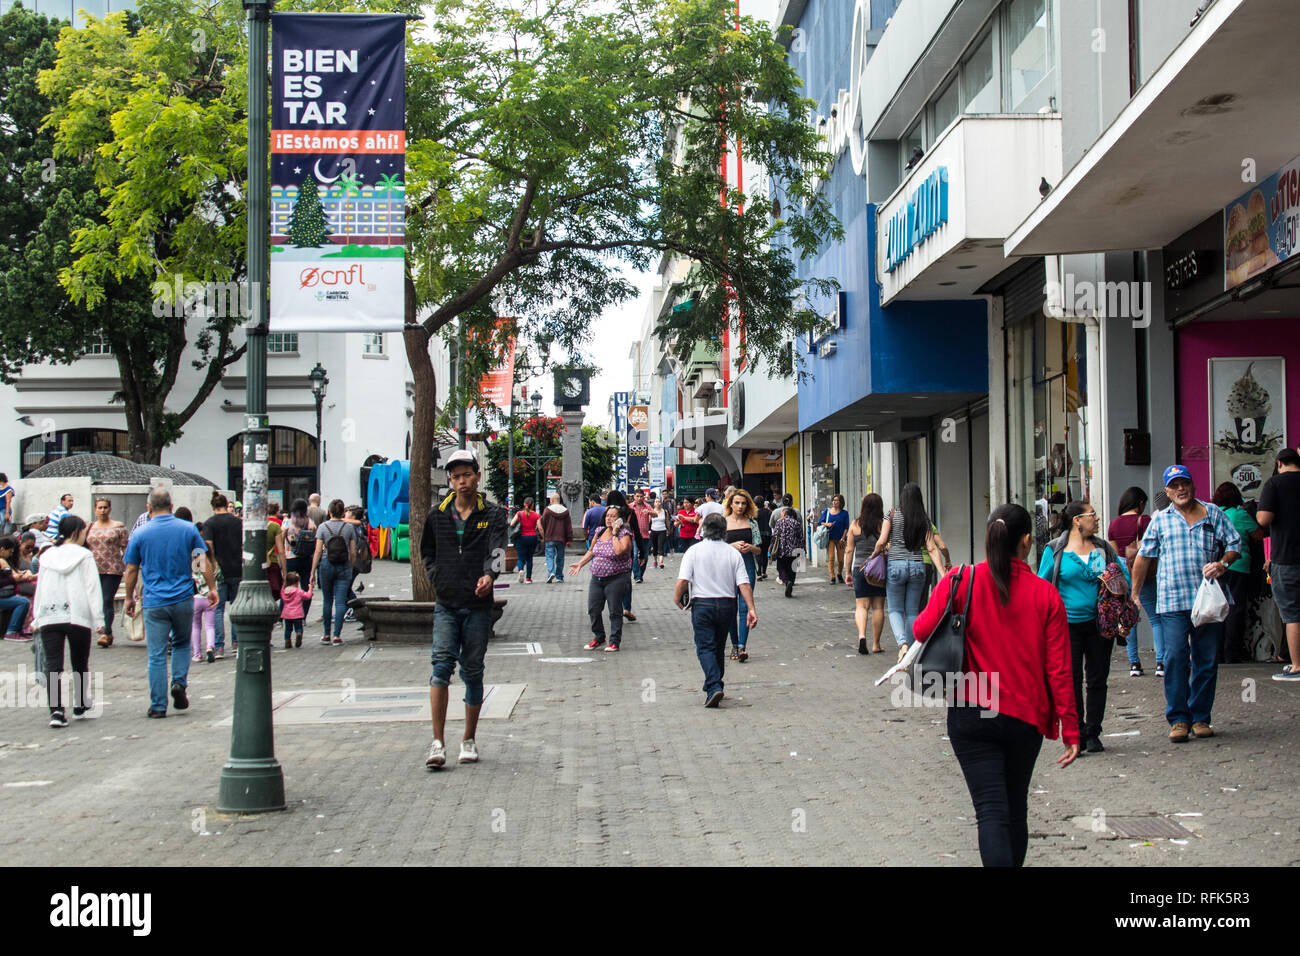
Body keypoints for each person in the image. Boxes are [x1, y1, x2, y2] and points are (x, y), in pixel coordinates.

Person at [908, 504, 1078, 867]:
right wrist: (1072, 730)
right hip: (1025, 717)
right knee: (1015, 808)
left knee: (990, 811)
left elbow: (920, 630)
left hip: (971, 714)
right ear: (1028, 542)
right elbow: (1060, 670)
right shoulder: (1046, 595)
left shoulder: (960, 580)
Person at [1130, 465, 1241, 742]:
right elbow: (1144, 557)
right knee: (1175, 658)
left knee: (1205, 660)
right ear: (1167, 491)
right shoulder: (1160, 520)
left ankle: (1201, 717)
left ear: (1193, 485)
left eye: (1185, 484)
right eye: (1174, 485)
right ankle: (1179, 719)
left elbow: (1234, 544)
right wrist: (1134, 594)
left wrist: (1222, 564)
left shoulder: (1212, 512)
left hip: (1206, 603)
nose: (1181, 489)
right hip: (1171, 601)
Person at [419, 449, 506, 769]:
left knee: (472, 670)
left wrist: (489, 574)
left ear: (477, 476)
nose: (461, 482)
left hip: (478, 606)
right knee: (440, 666)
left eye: (466, 475)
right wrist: (435, 576)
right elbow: (426, 550)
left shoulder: (493, 514)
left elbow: (498, 548)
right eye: (455, 477)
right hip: (446, 603)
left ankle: (468, 737)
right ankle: (437, 741)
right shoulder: (436, 515)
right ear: (450, 480)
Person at [1039, 501, 1127, 755]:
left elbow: (1119, 577)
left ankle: (1093, 731)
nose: (1097, 519)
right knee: (1072, 678)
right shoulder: (1055, 550)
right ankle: (1076, 730)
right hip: (1066, 626)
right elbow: (1043, 585)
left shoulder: (1102, 549)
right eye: (1092, 514)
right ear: (1077, 520)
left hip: (1100, 623)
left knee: (1098, 679)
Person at [122, 489, 216, 718]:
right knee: (182, 644)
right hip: (183, 597)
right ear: (172, 505)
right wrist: (211, 588)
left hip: (154, 601)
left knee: (156, 654)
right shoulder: (188, 529)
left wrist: (129, 597)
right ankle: (179, 683)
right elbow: (200, 563)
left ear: (149, 507)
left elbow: (132, 568)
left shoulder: (140, 534)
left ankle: (157, 706)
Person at [674, 513, 758, 708]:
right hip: (727, 605)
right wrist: (751, 608)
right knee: (719, 647)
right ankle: (715, 683)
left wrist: (677, 597)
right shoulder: (732, 553)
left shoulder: (694, 551)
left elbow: (683, 580)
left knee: (705, 647)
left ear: (704, 530)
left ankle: (713, 686)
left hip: (702, 605)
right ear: (724, 531)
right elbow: (743, 583)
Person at [32, 515, 104, 727]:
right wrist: (98, 618)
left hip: (49, 614)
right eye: (83, 531)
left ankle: (56, 711)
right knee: (79, 661)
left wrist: (37, 617)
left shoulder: (46, 556)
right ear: (77, 532)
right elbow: (92, 588)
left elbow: (40, 588)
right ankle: (80, 705)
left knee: (53, 664)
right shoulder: (84, 556)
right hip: (77, 614)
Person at [868, 482, 949, 662]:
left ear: (902, 498)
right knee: (912, 611)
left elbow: (881, 542)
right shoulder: (923, 518)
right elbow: (932, 548)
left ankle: (902, 644)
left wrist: (873, 556)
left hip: (895, 566)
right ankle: (910, 653)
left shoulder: (892, 514)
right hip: (918, 567)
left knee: (895, 609)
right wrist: (943, 572)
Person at [1107, 487, 1161, 677]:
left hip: (1124, 575)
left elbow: (1115, 554)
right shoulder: (1146, 520)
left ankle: (1134, 664)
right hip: (1144, 571)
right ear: (1139, 503)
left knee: (1129, 620)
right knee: (1156, 619)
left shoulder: (1113, 525)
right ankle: (1161, 663)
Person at [1259, 448, 1300, 679]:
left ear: (1279, 463)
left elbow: (1264, 519)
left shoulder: (1274, 484)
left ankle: (1296, 666)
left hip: (1286, 559)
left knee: (1293, 615)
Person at [571, 503, 634, 651]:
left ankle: (614, 641)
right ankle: (599, 637)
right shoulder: (599, 531)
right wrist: (581, 563)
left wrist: (614, 533)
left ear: (620, 519)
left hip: (617, 577)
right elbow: (592, 551)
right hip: (597, 577)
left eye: (613, 516)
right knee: (593, 608)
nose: (609, 519)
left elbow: (619, 551)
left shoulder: (624, 534)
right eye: (607, 516)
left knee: (614, 611)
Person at [1211, 482, 1261, 665]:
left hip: (1217, 567)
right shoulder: (1240, 514)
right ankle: (1231, 653)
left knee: (1219, 609)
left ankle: (1217, 652)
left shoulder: (1214, 514)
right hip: (1238, 566)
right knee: (1235, 609)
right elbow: (1258, 534)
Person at [310, 498, 358, 646]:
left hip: (326, 564)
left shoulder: (323, 527)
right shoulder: (349, 528)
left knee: (327, 600)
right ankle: (337, 635)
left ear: (330, 512)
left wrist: (313, 571)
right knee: (340, 601)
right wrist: (350, 566)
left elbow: (318, 551)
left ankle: (326, 634)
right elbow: (353, 551)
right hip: (343, 565)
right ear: (342, 512)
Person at [721, 489, 761, 661]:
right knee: (731, 607)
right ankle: (734, 644)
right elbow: (714, 547)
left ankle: (741, 647)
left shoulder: (752, 523)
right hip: (727, 568)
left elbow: (759, 549)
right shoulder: (722, 523)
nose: (740, 506)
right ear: (730, 503)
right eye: (737, 503)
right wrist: (732, 546)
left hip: (747, 566)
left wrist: (750, 548)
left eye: (744, 503)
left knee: (745, 606)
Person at [844, 493, 887, 655]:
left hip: (860, 569)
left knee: (861, 606)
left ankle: (862, 636)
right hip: (878, 570)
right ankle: (876, 644)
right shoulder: (883, 525)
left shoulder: (855, 524)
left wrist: (848, 572)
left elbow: (849, 550)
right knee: (878, 607)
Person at [202, 493, 243, 659]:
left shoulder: (209, 524)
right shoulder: (238, 522)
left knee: (218, 609)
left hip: (219, 571)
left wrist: (213, 564)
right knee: (236, 607)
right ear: (227, 505)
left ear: (213, 507)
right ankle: (236, 643)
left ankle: (219, 646)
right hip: (237, 568)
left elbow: (208, 546)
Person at [86, 498, 129, 649]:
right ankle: (100, 626)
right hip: (93, 568)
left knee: (106, 598)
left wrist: (129, 566)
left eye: (105, 507)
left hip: (112, 568)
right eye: (99, 507)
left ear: (110, 509)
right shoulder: (89, 527)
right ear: (95, 510)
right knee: (95, 599)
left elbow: (126, 547)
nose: (102, 510)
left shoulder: (118, 527)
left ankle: (107, 632)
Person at [603, 489, 642, 621]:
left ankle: (615, 607)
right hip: (626, 549)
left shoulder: (607, 513)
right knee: (626, 579)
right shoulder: (629, 512)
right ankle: (626, 608)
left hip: (610, 549)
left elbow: (600, 531)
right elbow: (637, 533)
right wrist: (641, 551)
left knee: (611, 579)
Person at [189, 536, 218, 664]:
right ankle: (210, 647)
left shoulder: (193, 568)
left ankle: (197, 653)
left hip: (195, 599)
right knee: (210, 625)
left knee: (195, 626)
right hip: (209, 597)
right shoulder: (212, 566)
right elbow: (220, 578)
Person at [0, 537, 35, 641]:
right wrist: (12, 579)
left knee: (22, 600)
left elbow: (12, 576)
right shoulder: (1, 561)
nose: (11, 554)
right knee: (23, 602)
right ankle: (12, 631)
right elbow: (11, 578)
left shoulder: (5, 561)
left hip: (4, 595)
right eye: (9, 551)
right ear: (2, 549)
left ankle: (17, 630)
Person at [813, 494, 851, 583]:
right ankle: (832, 576)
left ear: (841, 502)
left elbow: (846, 527)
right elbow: (820, 522)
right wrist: (827, 524)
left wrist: (843, 538)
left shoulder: (844, 513)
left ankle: (839, 573)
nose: (834, 502)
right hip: (830, 538)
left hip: (841, 539)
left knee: (841, 559)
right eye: (833, 500)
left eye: (836, 500)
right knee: (831, 557)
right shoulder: (827, 511)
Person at [771, 500, 803, 598]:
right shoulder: (797, 523)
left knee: (781, 568)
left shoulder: (779, 522)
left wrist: (771, 547)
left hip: (781, 550)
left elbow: (774, 536)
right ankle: (791, 583)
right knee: (792, 569)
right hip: (794, 550)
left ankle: (786, 581)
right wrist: (802, 550)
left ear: (785, 513)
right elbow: (800, 538)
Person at [540, 492, 573, 583]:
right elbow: (568, 526)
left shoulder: (547, 510)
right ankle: (559, 576)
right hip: (561, 538)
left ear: (551, 500)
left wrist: (543, 536)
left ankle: (551, 572)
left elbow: (543, 524)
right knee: (560, 557)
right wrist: (569, 539)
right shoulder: (565, 511)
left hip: (549, 537)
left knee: (549, 556)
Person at [510, 497, 541, 583]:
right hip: (533, 537)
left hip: (521, 537)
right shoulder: (536, 515)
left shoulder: (519, 514)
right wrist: (544, 537)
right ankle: (528, 578)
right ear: (533, 505)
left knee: (520, 557)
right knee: (529, 558)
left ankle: (520, 570)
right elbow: (540, 528)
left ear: (524, 504)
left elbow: (512, 523)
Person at [279, 571, 312, 649]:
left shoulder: (284, 592)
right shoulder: (298, 591)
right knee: (298, 627)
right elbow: (307, 596)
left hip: (287, 614)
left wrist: (283, 585)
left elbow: (281, 594)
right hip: (297, 614)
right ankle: (299, 634)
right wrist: (310, 589)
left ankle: (287, 641)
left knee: (288, 629)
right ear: (297, 582)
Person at [265, 500, 286, 603]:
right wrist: (285, 572)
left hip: (255, 566)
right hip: (272, 561)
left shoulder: (252, 525)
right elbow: (281, 550)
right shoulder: (275, 525)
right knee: (273, 595)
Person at [754, 497, 772, 581]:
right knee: (764, 554)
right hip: (767, 535)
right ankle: (764, 572)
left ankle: (759, 573)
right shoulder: (769, 512)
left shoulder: (754, 513)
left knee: (758, 553)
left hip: (757, 535)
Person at [648, 497, 668, 569]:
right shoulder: (652, 511)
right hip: (653, 531)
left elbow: (667, 521)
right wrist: (648, 530)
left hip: (662, 530)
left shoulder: (664, 511)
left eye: (659, 501)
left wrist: (668, 530)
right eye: (656, 502)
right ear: (654, 503)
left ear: (661, 503)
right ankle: (655, 561)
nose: (658, 503)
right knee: (655, 547)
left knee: (660, 546)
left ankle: (661, 562)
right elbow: (648, 522)